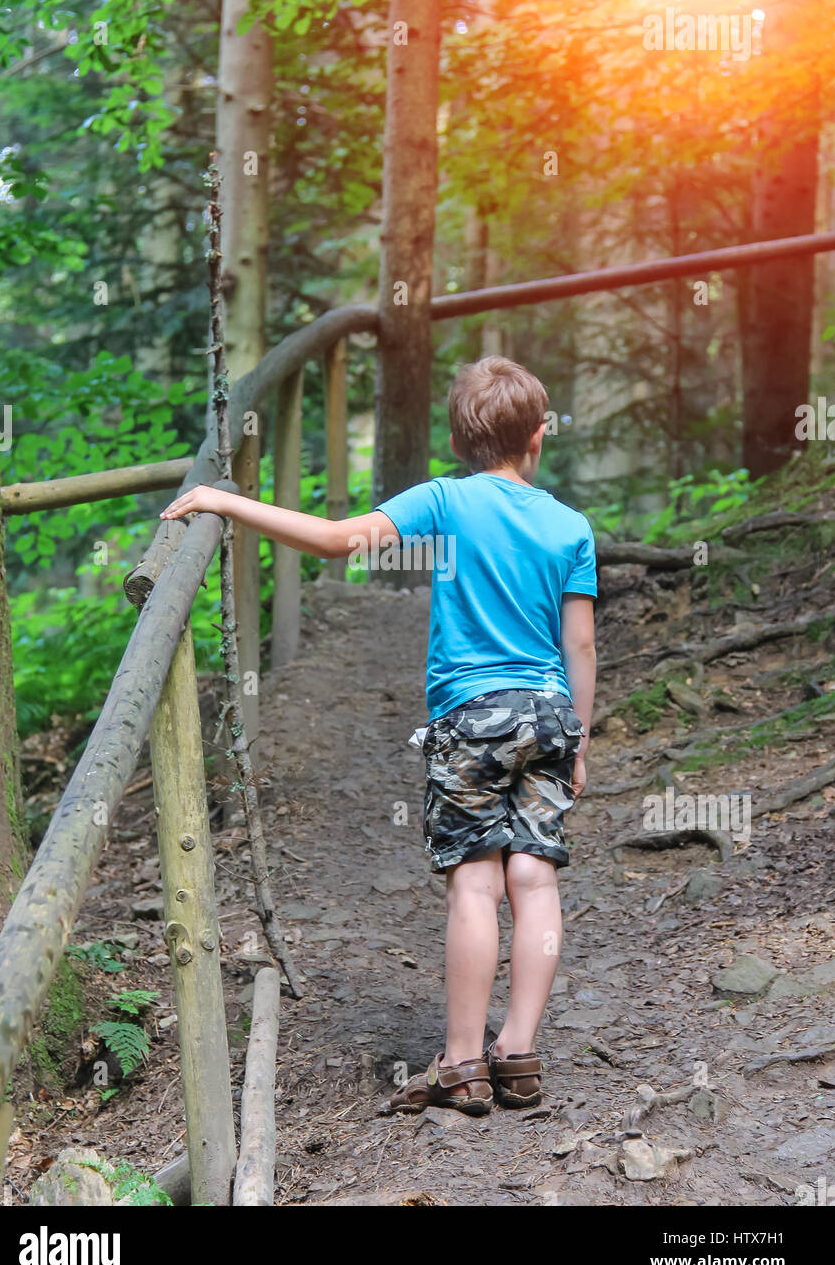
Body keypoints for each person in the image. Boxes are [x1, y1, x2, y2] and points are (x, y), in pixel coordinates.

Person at [161, 355, 597, 1116]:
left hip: (472, 717)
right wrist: (580, 742)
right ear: (537, 439)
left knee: (475, 880)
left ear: (461, 440)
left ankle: (463, 1062)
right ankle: (519, 1053)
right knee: (536, 881)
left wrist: (229, 504)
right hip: (550, 714)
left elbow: (336, 542)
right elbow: (581, 647)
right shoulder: (571, 525)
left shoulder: (445, 500)